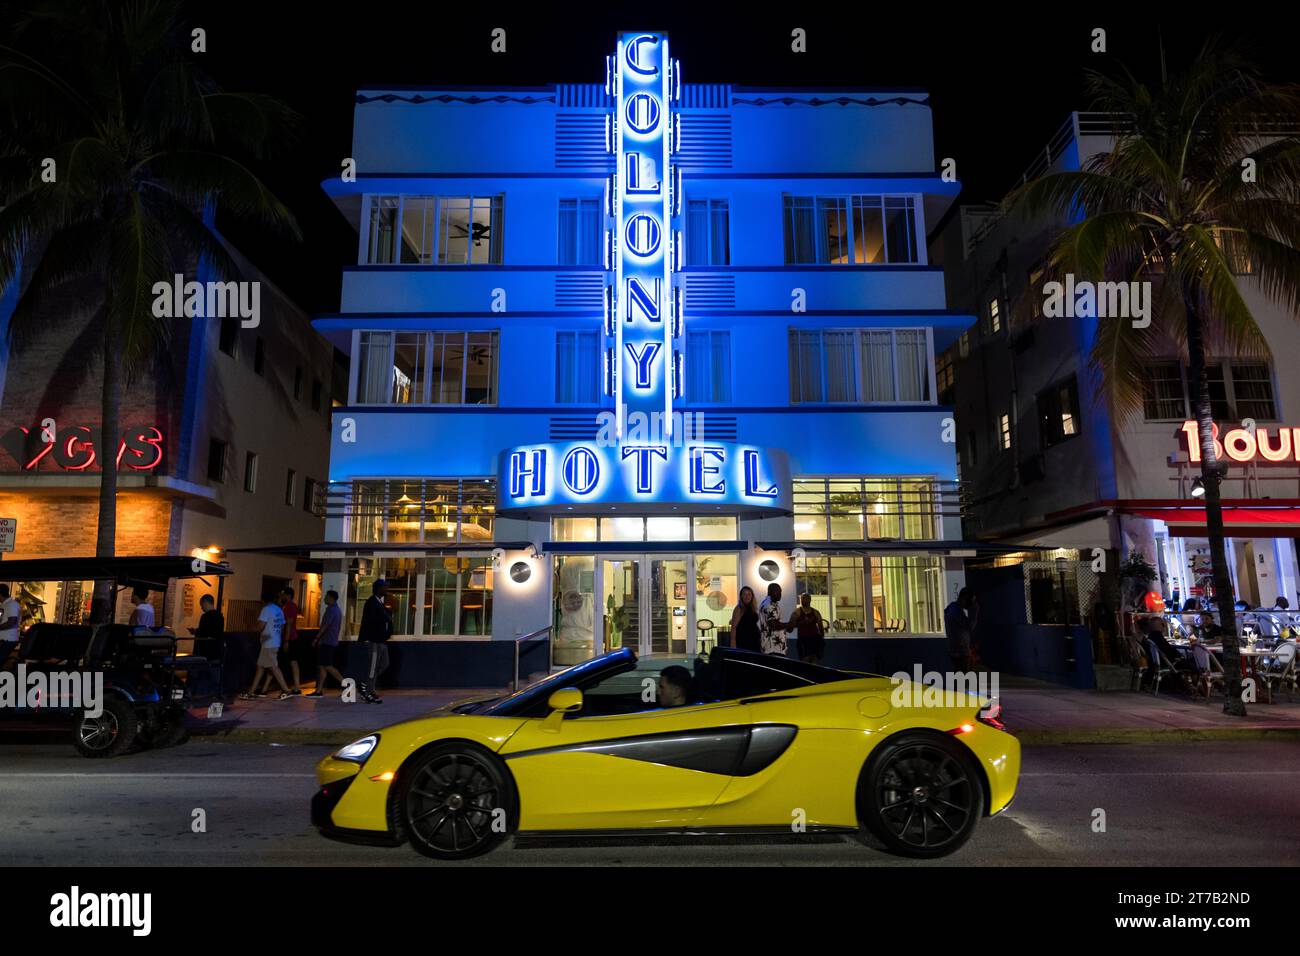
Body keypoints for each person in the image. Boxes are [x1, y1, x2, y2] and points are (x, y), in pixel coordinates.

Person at [240, 591, 294, 700]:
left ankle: (286, 690)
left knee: (273, 667)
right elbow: (283, 626)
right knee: (260, 667)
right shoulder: (279, 610)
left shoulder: (266, 609)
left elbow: (260, 626)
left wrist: (249, 628)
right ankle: (251, 692)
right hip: (275, 641)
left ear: (263, 600)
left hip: (268, 643)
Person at [357, 579, 393, 704]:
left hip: (381, 641)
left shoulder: (379, 603)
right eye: (385, 587)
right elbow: (369, 622)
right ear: (379, 588)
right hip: (375, 641)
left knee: (384, 664)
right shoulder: (372, 603)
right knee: (373, 667)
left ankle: (366, 684)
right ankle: (368, 692)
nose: (387, 589)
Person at [307, 589, 345, 698]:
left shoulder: (331, 610)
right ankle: (318, 691)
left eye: (326, 597)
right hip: (330, 641)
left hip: (328, 641)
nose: (324, 599)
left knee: (327, 665)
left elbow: (325, 626)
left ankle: (346, 684)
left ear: (331, 598)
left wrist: (316, 638)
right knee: (322, 666)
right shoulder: (336, 610)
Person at [278, 586, 307, 694]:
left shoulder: (290, 607)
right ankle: (294, 686)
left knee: (292, 662)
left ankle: (296, 687)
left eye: (283, 594)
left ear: (288, 595)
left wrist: (286, 641)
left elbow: (289, 624)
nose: (281, 596)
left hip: (290, 638)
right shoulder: (286, 606)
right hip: (289, 637)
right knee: (290, 662)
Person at [790, 592, 826, 665]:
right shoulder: (797, 612)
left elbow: (821, 628)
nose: (802, 600)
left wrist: (821, 641)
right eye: (801, 598)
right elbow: (790, 626)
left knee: (814, 661)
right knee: (804, 662)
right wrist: (802, 623)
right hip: (803, 640)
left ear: (809, 600)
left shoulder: (815, 612)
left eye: (804, 598)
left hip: (814, 639)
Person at [945, 587, 975, 671]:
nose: (971, 603)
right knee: (961, 679)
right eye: (970, 601)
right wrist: (974, 612)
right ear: (964, 598)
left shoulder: (953, 609)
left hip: (957, 651)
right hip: (960, 652)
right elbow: (969, 626)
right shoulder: (956, 611)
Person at [758, 582, 791, 656]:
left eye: (780, 591)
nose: (780, 594)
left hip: (775, 648)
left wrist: (787, 627)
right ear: (770, 592)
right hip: (773, 648)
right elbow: (774, 625)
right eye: (777, 591)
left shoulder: (772, 604)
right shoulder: (769, 605)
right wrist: (789, 624)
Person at [730, 586, 761, 651]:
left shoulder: (752, 608)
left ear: (752, 596)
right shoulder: (739, 608)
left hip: (754, 643)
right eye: (744, 594)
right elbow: (734, 627)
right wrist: (733, 644)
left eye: (749, 594)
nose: (747, 596)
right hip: (743, 643)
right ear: (741, 596)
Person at [0, 584, 21, 666]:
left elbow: (11, 622)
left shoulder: (12, 604)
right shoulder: (4, 604)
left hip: (8, 640)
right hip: (4, 639)